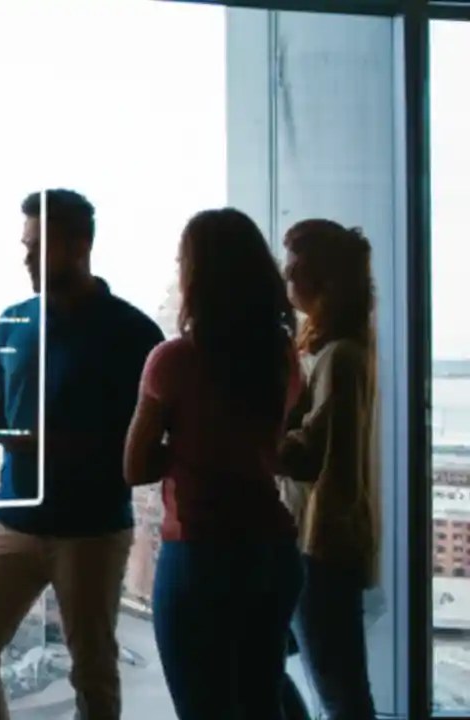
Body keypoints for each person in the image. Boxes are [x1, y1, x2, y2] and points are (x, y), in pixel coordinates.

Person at [0, 190, 163, 720]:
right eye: (25, 245)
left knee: (94, 677)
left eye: (38, 246)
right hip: (13, 519)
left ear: (81, 245)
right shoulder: (12, 322)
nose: (27, 258)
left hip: (92, 528)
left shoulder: (133, 333)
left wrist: (48, 442)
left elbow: (144, 445)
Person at [124, 207, 304, 719]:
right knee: (261, 702)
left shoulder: (174, 359)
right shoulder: (281, 355)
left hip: (202, 555)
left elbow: (135, 466)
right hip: (272, 550)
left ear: (196, 275)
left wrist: (184, 448)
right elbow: (271, 440)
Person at [280, 219, 380, 719]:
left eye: (294, 264)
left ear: (322, 276)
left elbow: (310, 454)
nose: (286, 274)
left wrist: (242, 437)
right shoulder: (343, 351)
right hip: (322, 542)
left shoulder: (338, 358)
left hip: (321, 545)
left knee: (339, 691)